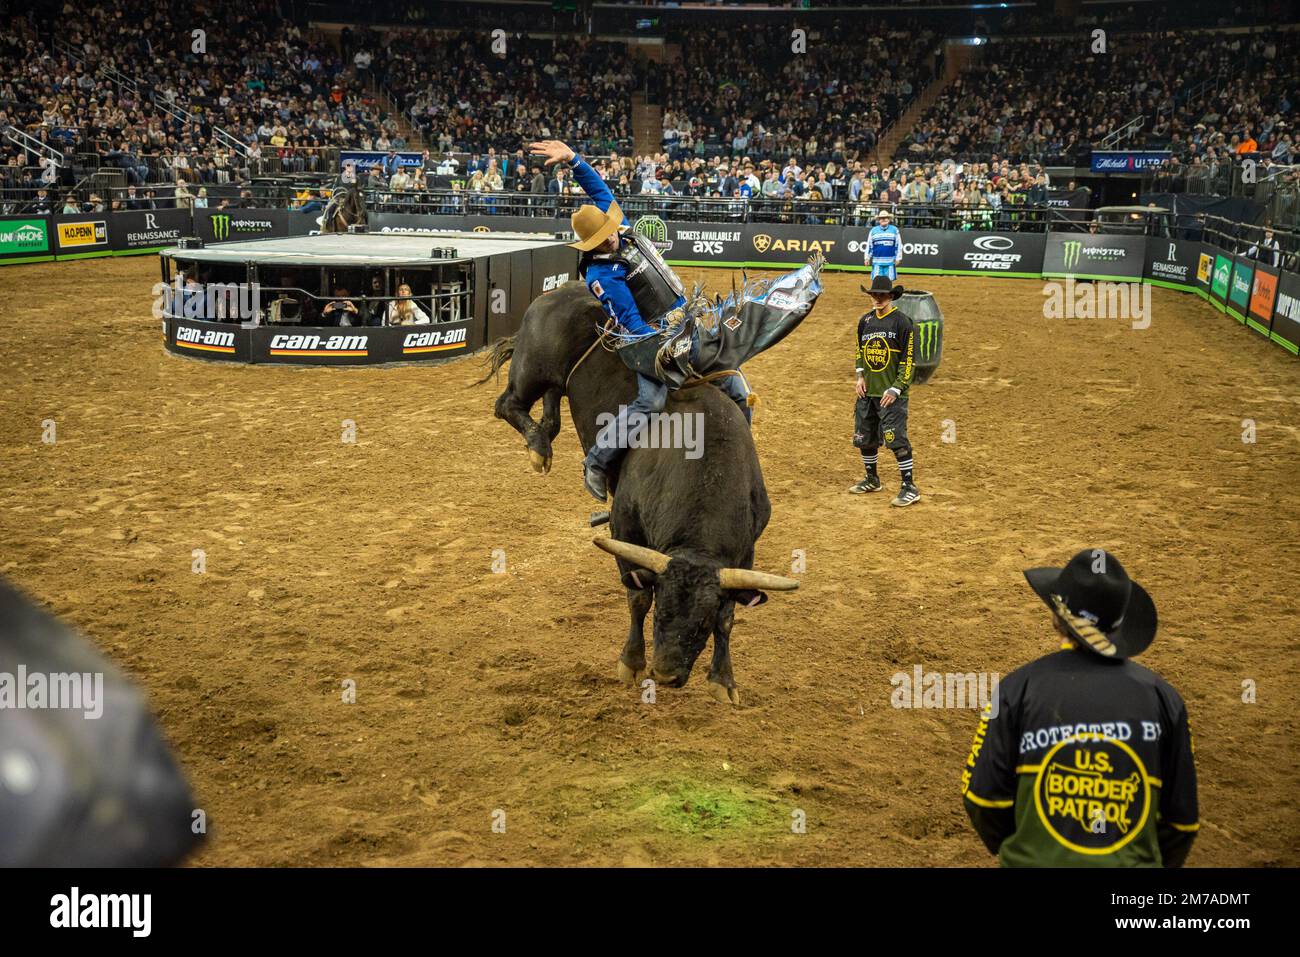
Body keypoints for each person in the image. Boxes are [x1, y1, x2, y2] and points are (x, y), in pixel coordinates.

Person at [529, 138, 752, 502]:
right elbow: (633, 324)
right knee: (650, 401)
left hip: (682, 321)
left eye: (610, 231)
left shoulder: (620, 231)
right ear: (592, 247)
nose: (612, 238)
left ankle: (736, 457)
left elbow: (599, 190)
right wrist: (669, 348)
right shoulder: (604, 278)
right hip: (651, 339)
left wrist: (573, 159)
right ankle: (597, 461)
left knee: (738, 388)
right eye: (603, 239)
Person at [961, 549, 1199, 867]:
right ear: (1120, 625)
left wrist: (1026, 850)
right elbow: (1182, 821)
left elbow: (982, 798)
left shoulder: (1015, 690)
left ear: (1059, 618)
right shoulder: (1165, 700)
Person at [850, 275, 919, 507]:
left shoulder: (902, 322)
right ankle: (872, 479)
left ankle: (909, 486)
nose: (877, 299)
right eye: (874, 295)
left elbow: (908, 361)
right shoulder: (865, 321)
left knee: (896, 440)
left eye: (882, 295)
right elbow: (860, 350)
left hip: (891, 395)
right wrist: (859, 376)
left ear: (891, 296)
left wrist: (896, 388)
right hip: (868, 393)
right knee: (865, 437)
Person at [865, 208, 902, 280]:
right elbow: (869, 245)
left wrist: (898, 258)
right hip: (877, 262)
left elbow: (898, 245)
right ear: (879, 220)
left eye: (885, 218)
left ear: (889, 219)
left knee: (889, 282)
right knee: (876, 281)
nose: (884, 219)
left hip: (890, 262)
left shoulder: (894, 230)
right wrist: (867, 258)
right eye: (881, 218)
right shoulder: (873, 230)